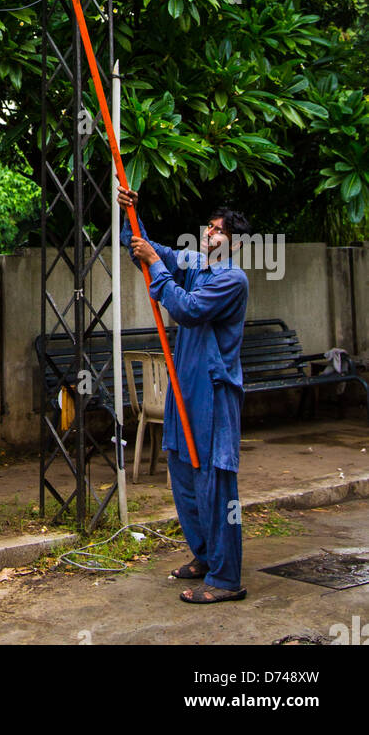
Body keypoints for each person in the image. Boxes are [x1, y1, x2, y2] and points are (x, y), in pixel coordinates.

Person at [118, 186, 251, 603]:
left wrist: (157, 266)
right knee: (183, 472)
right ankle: (205, 556)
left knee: (214, 479)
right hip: (182, 388)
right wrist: (131, 213)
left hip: (212, 393)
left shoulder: (232, 279)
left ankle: (226, 579)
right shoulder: (195, 266)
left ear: (235, 244)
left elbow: (188, 309)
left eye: (219, 231)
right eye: (209, 228)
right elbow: (143, 247)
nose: (210, 234)